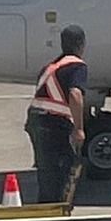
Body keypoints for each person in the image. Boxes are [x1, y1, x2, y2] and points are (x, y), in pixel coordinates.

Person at [25, 24, 90, 206]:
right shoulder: (77, 66)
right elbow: (75, 94)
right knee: (62, 168)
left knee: (46, 169)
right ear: (81, 45)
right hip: (53, 123)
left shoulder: (50, 66)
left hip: (36, 120)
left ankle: (44, 206)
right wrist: (79, 129)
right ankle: (54, 209)